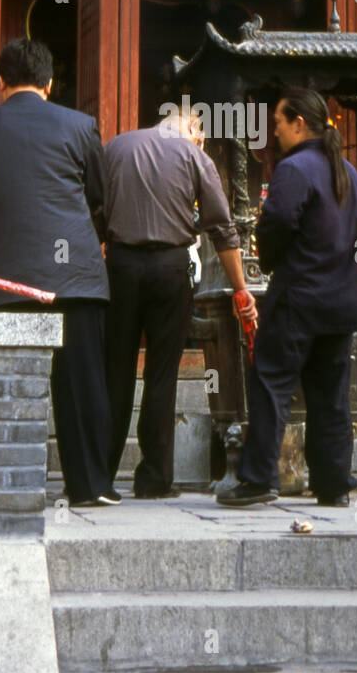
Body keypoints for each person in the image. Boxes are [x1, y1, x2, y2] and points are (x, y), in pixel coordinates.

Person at [0, 38, 116, 508]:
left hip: (3, 274)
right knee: (81, 384)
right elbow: (98, 195)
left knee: (2, 378)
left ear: (0, 81)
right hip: (74, 275)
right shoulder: (80, 126)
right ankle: (90, 485)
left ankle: (2, 483)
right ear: (49, 82)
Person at [217, 88, 357, 508]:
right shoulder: (351, 174)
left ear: (299, 123)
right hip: (343, 302)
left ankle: (258, 478)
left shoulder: (294, 169)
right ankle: (333, 483)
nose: (275, 132)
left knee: (271, 383)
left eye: (279, 123)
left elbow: (277, 223)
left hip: (300, 299)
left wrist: (269, 260)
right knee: (331, 395)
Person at [103, 104, 257, 499]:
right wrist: (241, 289)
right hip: (169, 268)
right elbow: (223, 229)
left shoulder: (116, 147)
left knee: (115, 369)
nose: (200, 142)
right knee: (161, 373)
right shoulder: (194, 156)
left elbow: (95, 211)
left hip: (119, 267)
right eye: (200, 136)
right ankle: (154, 478)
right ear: (193, 130)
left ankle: (99, 475)